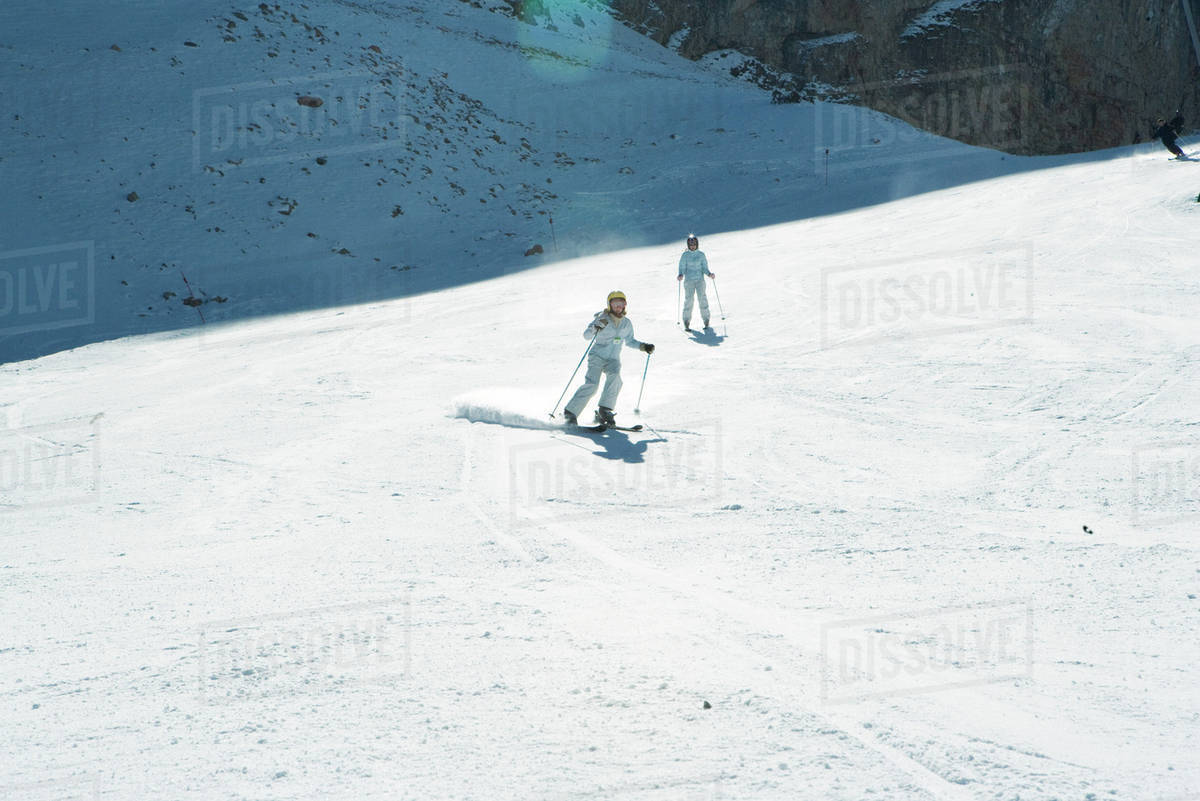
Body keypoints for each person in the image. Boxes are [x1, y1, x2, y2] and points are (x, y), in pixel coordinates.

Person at [563, 291, 654, 427]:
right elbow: (586, 335)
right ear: (609, 304)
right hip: (597, 356)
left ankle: (604, 410)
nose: (618, 307)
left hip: (613, 359)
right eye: (615, 303)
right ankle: (570, 412)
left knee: (616, 378)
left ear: (625, 305)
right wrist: (595, 327)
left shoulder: (626, 323)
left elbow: (629, 341)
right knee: (592, 384)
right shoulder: (603, 318)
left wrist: (643, 346)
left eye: (621, 304)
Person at [677, 234, 716, 331]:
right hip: (689, 281)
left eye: (694, 244)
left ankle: (706, 320)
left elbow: (704, 267)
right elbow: (682, 267)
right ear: (688, 245)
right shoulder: (685, 255)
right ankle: (686, 321)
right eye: (690, 244)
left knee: (702, 299)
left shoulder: (701, 255)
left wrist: (709, 274)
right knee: (689, 300)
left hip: (700, 281)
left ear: (697, 244)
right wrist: (680, 274)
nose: (692, 246)